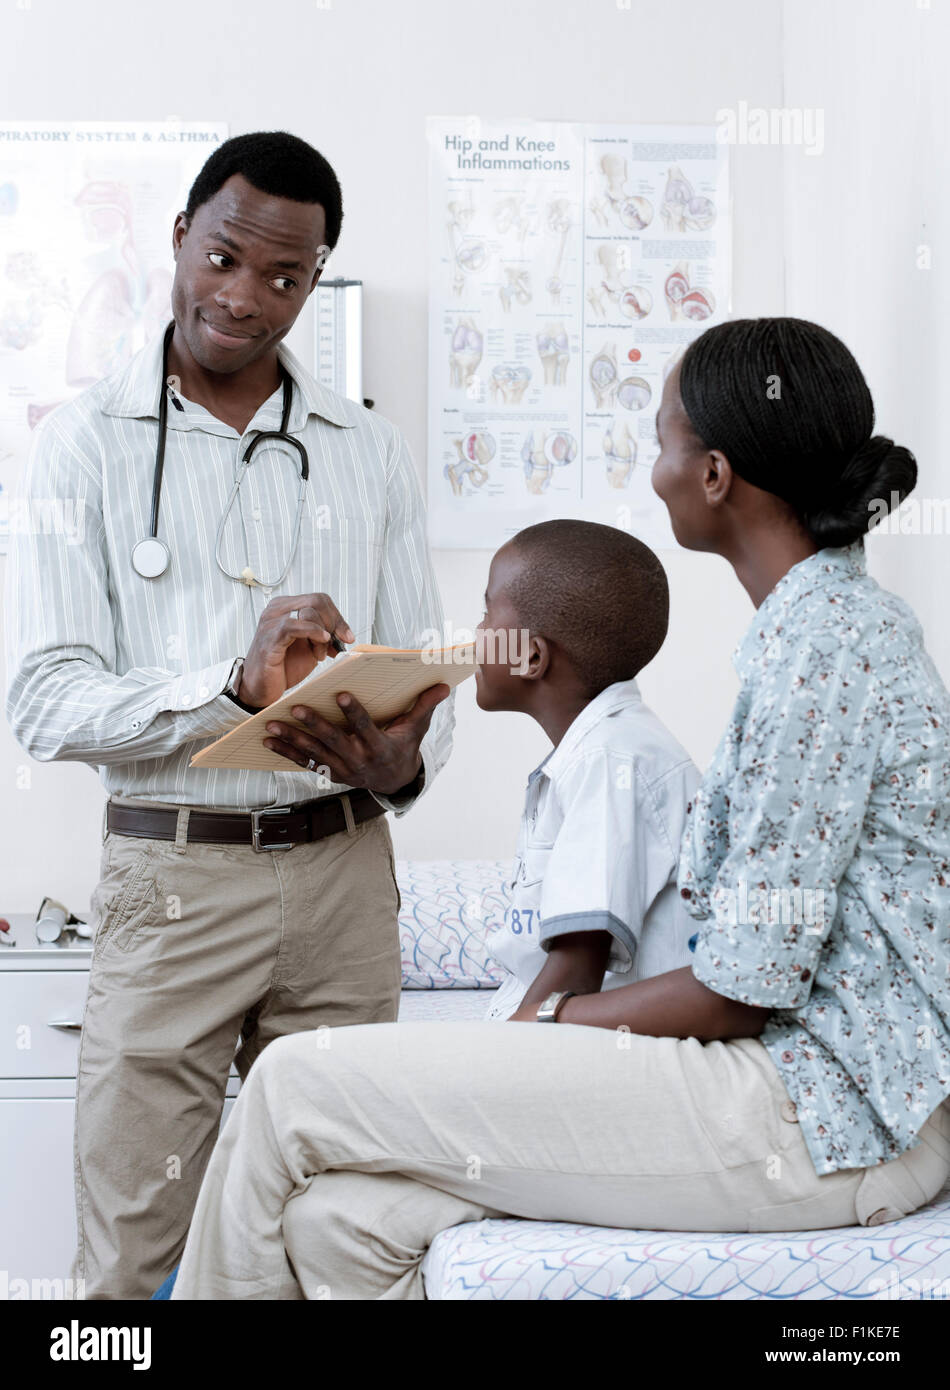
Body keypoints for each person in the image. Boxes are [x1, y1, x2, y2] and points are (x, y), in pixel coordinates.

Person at [168, 316, 950, 1300]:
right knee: (341, 1224)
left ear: (712, 474)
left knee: (290, 1083)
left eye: (661, 437)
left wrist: (546, 1031)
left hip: (822, 1115)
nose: (651, 463)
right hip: (811, 1092)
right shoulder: (817, 624)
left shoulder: (820, 643)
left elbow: (738, 989)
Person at [3, 131, 452, 1301]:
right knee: (129, 1241)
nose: (244, 298)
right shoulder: (81, 447)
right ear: (178, 239)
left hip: (345, 872)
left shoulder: (371, 453)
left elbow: (428, 686)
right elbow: (42, 699)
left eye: (284, 278)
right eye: (222, 258)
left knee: (347, 1226)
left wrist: (400, 762)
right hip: (174, 877)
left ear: (314, 281)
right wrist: (227, 690)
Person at [472, 520, 700, 1021]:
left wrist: (488, 1067)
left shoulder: (610, 762)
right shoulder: (601, 750)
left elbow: (576, 973)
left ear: (532, 656)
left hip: (573, 1055)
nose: (475, 634)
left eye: (487, 614)